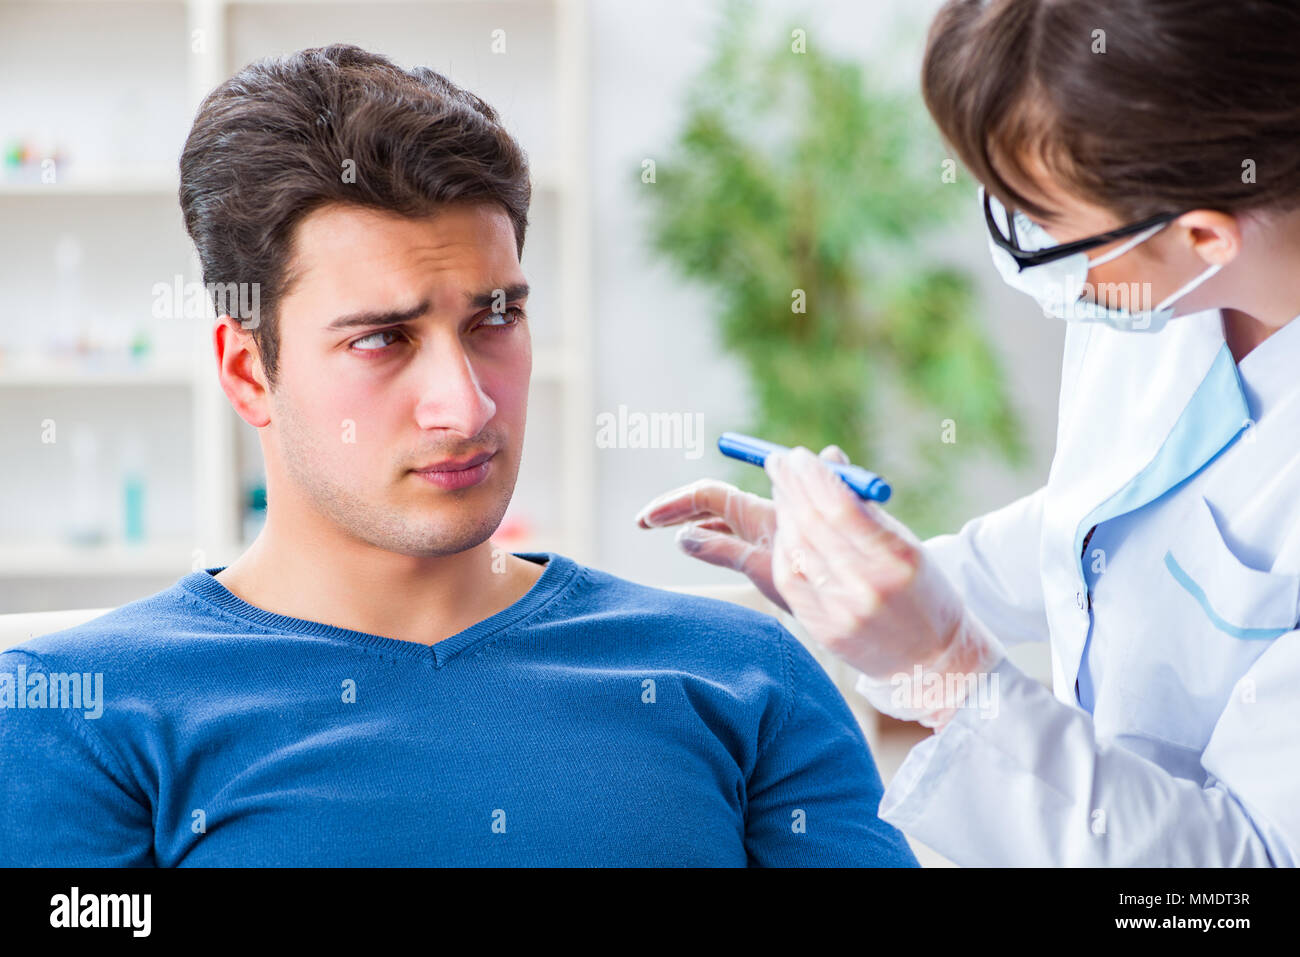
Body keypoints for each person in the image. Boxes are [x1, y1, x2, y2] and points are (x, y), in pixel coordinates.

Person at [0, 44, 917, 868]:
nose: (468, 403)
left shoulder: (744, 674)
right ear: (248, 373)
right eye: (382, 339)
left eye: (495, 318)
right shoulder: (72, 713)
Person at [636, 0, 1300, 866]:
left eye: (1043, 220)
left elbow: (1234, 882)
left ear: (1203, 235)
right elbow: (1106, 529)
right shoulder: (1159, 290)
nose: (1031, 242)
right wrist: (890, 579)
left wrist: (945, 671)